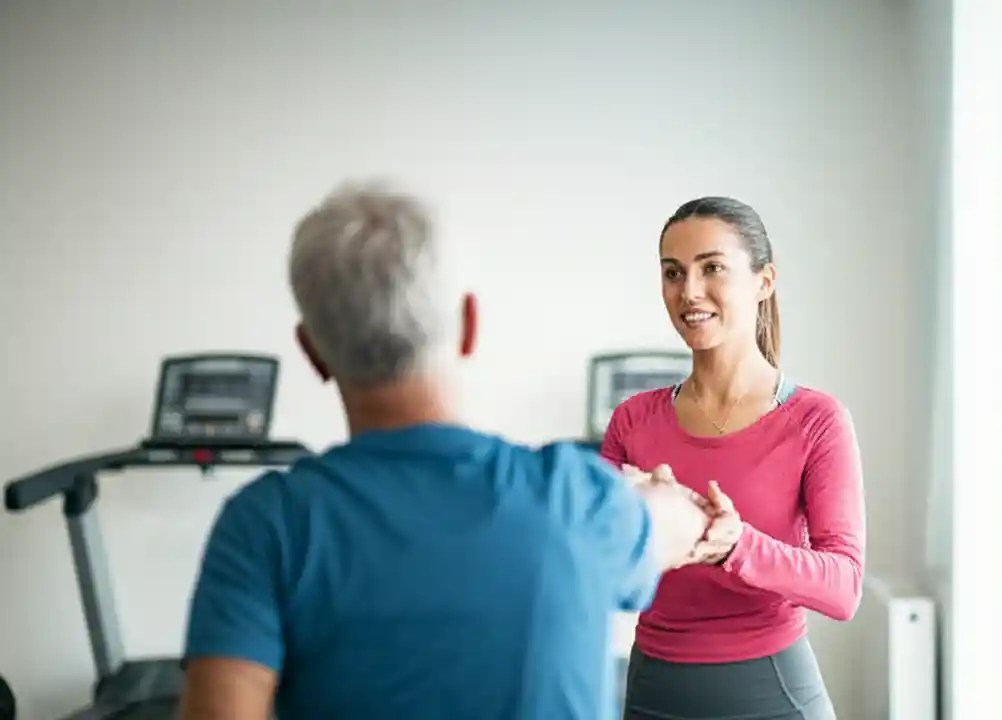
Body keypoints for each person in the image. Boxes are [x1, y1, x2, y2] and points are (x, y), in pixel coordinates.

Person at [177, 182, 712, 720]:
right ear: (469, 325)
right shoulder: (579, 498)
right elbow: (686, 521)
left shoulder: (263, 524)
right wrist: (639, 492)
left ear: (312, 351)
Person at [602, 197, 866, 720]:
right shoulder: (633, 421)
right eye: (673, 272)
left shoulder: (816, 420)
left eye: (713, 268)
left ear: (764, 281)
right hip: (652, 693)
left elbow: (843, 588)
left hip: (774, 696)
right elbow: (597, 572)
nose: (689, 291)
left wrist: (738, 546)